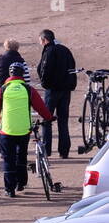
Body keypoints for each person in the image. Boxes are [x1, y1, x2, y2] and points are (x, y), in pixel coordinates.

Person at [0, 62, 53, 197]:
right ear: (22, 74)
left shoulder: (2, 89)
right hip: (24, 129)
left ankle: (10, 189)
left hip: (6, 130)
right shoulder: (28, 89)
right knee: (21, 156)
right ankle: (21, 182)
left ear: (10, 74)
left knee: (8, 159)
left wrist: (1, 121)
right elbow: (40, 107)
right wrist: (49, 117)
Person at [37, 29, 77, 159]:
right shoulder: (65, 50)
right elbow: (72, 68)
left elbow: (44, 69)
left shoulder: (49, 51)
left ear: (44, 40)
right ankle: (64, 151)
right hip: (65, 90)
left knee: (47, 119)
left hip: (52, 90)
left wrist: (45, 84)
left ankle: (47, 149)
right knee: (63, 121)